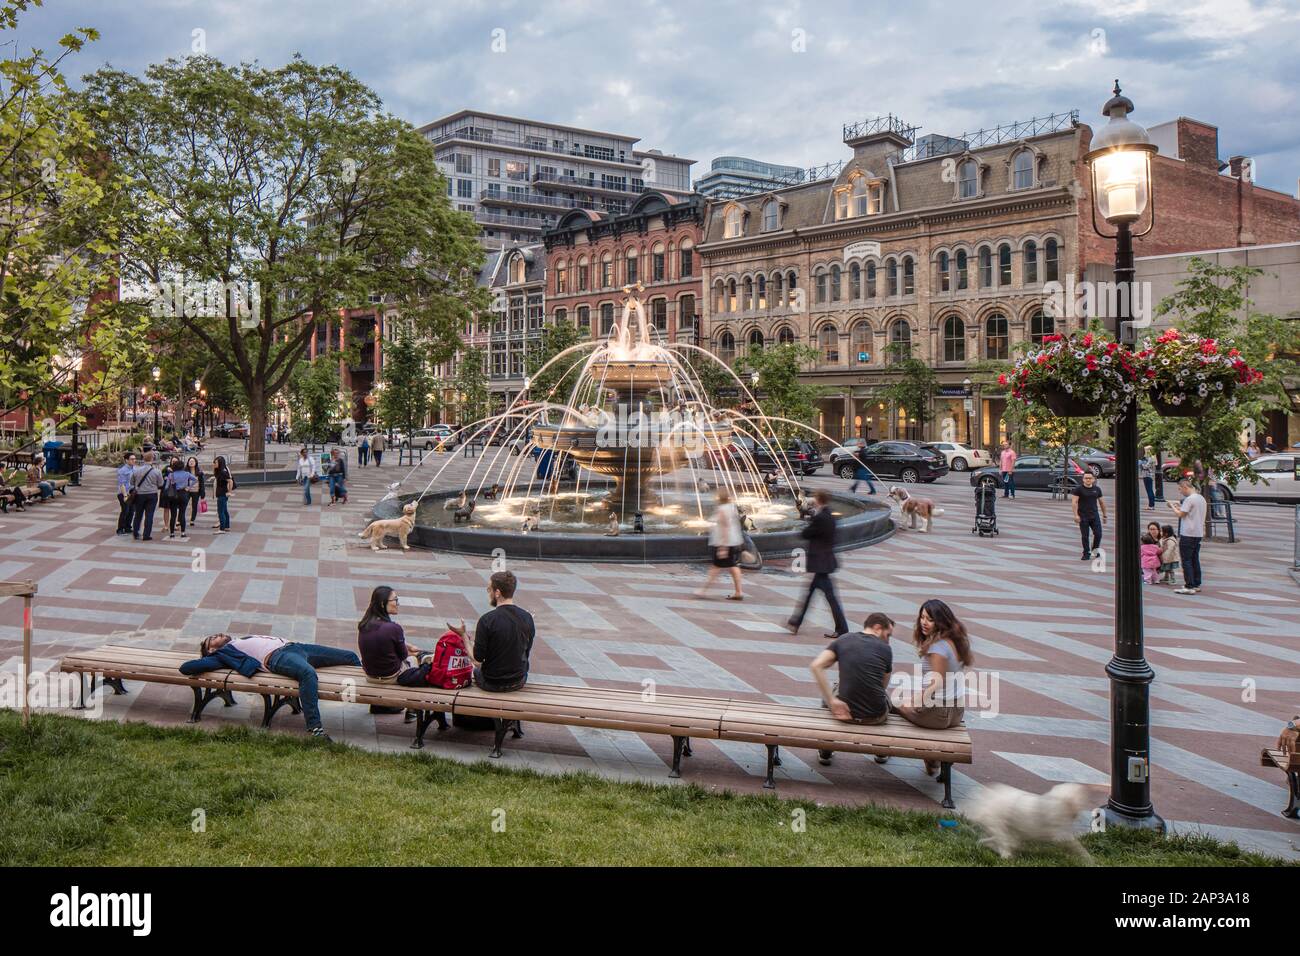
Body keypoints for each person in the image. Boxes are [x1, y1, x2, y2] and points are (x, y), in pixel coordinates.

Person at [181, 633, 359, 742]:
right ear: (211, 650)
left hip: (296, 647)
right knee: (308, 674)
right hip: (278, 657)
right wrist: (209, 657)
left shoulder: (235, 642)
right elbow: (187, 668)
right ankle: (315, 728)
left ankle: (380, 702)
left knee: (350, 656)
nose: (217, 634)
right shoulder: (223, 654)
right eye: (212, 639)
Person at [896, 600, 974, 774]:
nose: (924, 622)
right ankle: (931, 759)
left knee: (895, 706)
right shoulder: (955, 641)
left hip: (939, 714)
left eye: (929, 619)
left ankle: (928, 758)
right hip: (956, 712)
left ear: (940, 621)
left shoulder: (937, 648)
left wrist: (916, 702)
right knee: (906, 703)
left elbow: (936, 684)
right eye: (922, 617)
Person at [811, 612, 896, 766]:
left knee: (830, 693)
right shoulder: (886, 649)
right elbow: (882, 686)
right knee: (887, 698)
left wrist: (832, 700)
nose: (888, 640)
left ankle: (826, 748)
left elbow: (816, 665)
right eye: (888, 635)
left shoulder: (843, 640)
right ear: (877, 628)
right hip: (874, 718)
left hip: (844, 714)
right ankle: (881, 749)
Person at [785, 489, 849, 639]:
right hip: (825, 561)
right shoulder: (829, 515)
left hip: (821, 563)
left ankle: (842, 628)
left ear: (819, 500)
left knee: (830, 598)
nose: (812, 499)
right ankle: (795, 622)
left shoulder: (821, 517)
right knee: (812, 594)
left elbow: (806, 533)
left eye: (815, 497)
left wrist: (809, 520)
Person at [357, 586, 426, 713]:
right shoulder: (394, 628)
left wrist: (407, 645)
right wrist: (412, 652)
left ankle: (378, 705)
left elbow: (383, 643)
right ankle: (412, 710)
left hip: (370, 675)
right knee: (413, 660)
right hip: (390, 676)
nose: (397, 603)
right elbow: (404, 655)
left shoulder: (364, 625)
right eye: (395, 600)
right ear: (383, 603)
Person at [466, 570, 534, 692]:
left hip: (492, 682)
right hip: (518, 681)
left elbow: (478, 658)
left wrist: (463, 635)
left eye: (489, 589)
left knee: (474, 670)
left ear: (497, 592)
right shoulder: (527, 618)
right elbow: (526, 652)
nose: (489, 593)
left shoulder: (486, 620)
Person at [695, 488, 744, 601]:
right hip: (733, 540)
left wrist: (723, 547)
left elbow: (725, 527)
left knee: (716, 567)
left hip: (724, 542)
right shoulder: (731, 507)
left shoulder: (722, 509)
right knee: (732, 566)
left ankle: (703, 590)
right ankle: (738, 592)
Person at [1168, 478, 1206, 594]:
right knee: (1195, 558)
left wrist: (1172, 506)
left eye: (1180, 489)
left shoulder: (1189, 499)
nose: (1180, 492)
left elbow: (1181, 514)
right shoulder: (1201, 498)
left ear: (1185, 487)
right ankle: (1196, 583)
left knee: (1187, 560)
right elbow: (1189, 513)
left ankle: (1189, 586)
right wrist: (1179, 506)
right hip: (1198, 533)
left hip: (1188, 533)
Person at [1070, 470, 1107, 560]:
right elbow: (1074, 502)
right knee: (1085, 536)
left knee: (1098, 534)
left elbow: (1102, 502)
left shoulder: (1097, 489)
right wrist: (1076, 515)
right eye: (1086, 478)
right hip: (1083, 516)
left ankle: (1095, 550)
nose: (1088, 480)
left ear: (1093, 479)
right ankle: (1086, 553)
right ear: (1083, 479)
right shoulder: (1078, 489)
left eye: (1090, 478)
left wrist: (1104, 515)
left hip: (1094, 515)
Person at [130, 450, 163, 541]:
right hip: (152, 494)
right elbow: (160, 484)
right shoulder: (157, 471)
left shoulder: (136, 470)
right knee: (149, 515)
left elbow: (132, 482)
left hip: (140, 494)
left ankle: (135, 533)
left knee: (138, 514)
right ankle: (146, 534)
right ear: (152, 459)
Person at [164, 456, 198, 540]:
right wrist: (189, 487)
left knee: (173, 514)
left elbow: (166, 487)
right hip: (184, 494)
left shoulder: (171, 475)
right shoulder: (186, 473)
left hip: (174, 494)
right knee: (182, 514)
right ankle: (183, 533)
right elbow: (195, 479)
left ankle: (172, 533)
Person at [115, 452, 138, 534]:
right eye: (132, 459)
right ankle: (120, 528)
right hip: (123, 493)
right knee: (125, 510)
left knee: (132, 511)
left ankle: (128, 527)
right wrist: (125, 495)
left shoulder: (135, 469)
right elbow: (122, 484)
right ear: (126, 460)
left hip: (132, 493)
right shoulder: (122, 470)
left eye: (135, 459)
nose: (134, 460)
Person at [212, 454, 234, 533]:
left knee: (221, 511)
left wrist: (229, 491)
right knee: (224, 510)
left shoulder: (223, 472)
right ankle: (227, 526)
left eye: (215, 463)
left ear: (220, 463)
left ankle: (222, 528)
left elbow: (230, 481)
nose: (214, 464)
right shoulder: (220, 471)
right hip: (222, 493)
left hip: (222, 494)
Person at [186, 455, 206, 526]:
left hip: (196, 491)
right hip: (187, 491)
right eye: (190, 461)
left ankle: (192, 520)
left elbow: (202, 484)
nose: (191, 462)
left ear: (196, 463)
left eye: (193, 461)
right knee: (184, 505)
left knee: (194, 506)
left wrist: (203, 494)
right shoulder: (185, 471)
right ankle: (179, 519)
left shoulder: (199, 472)